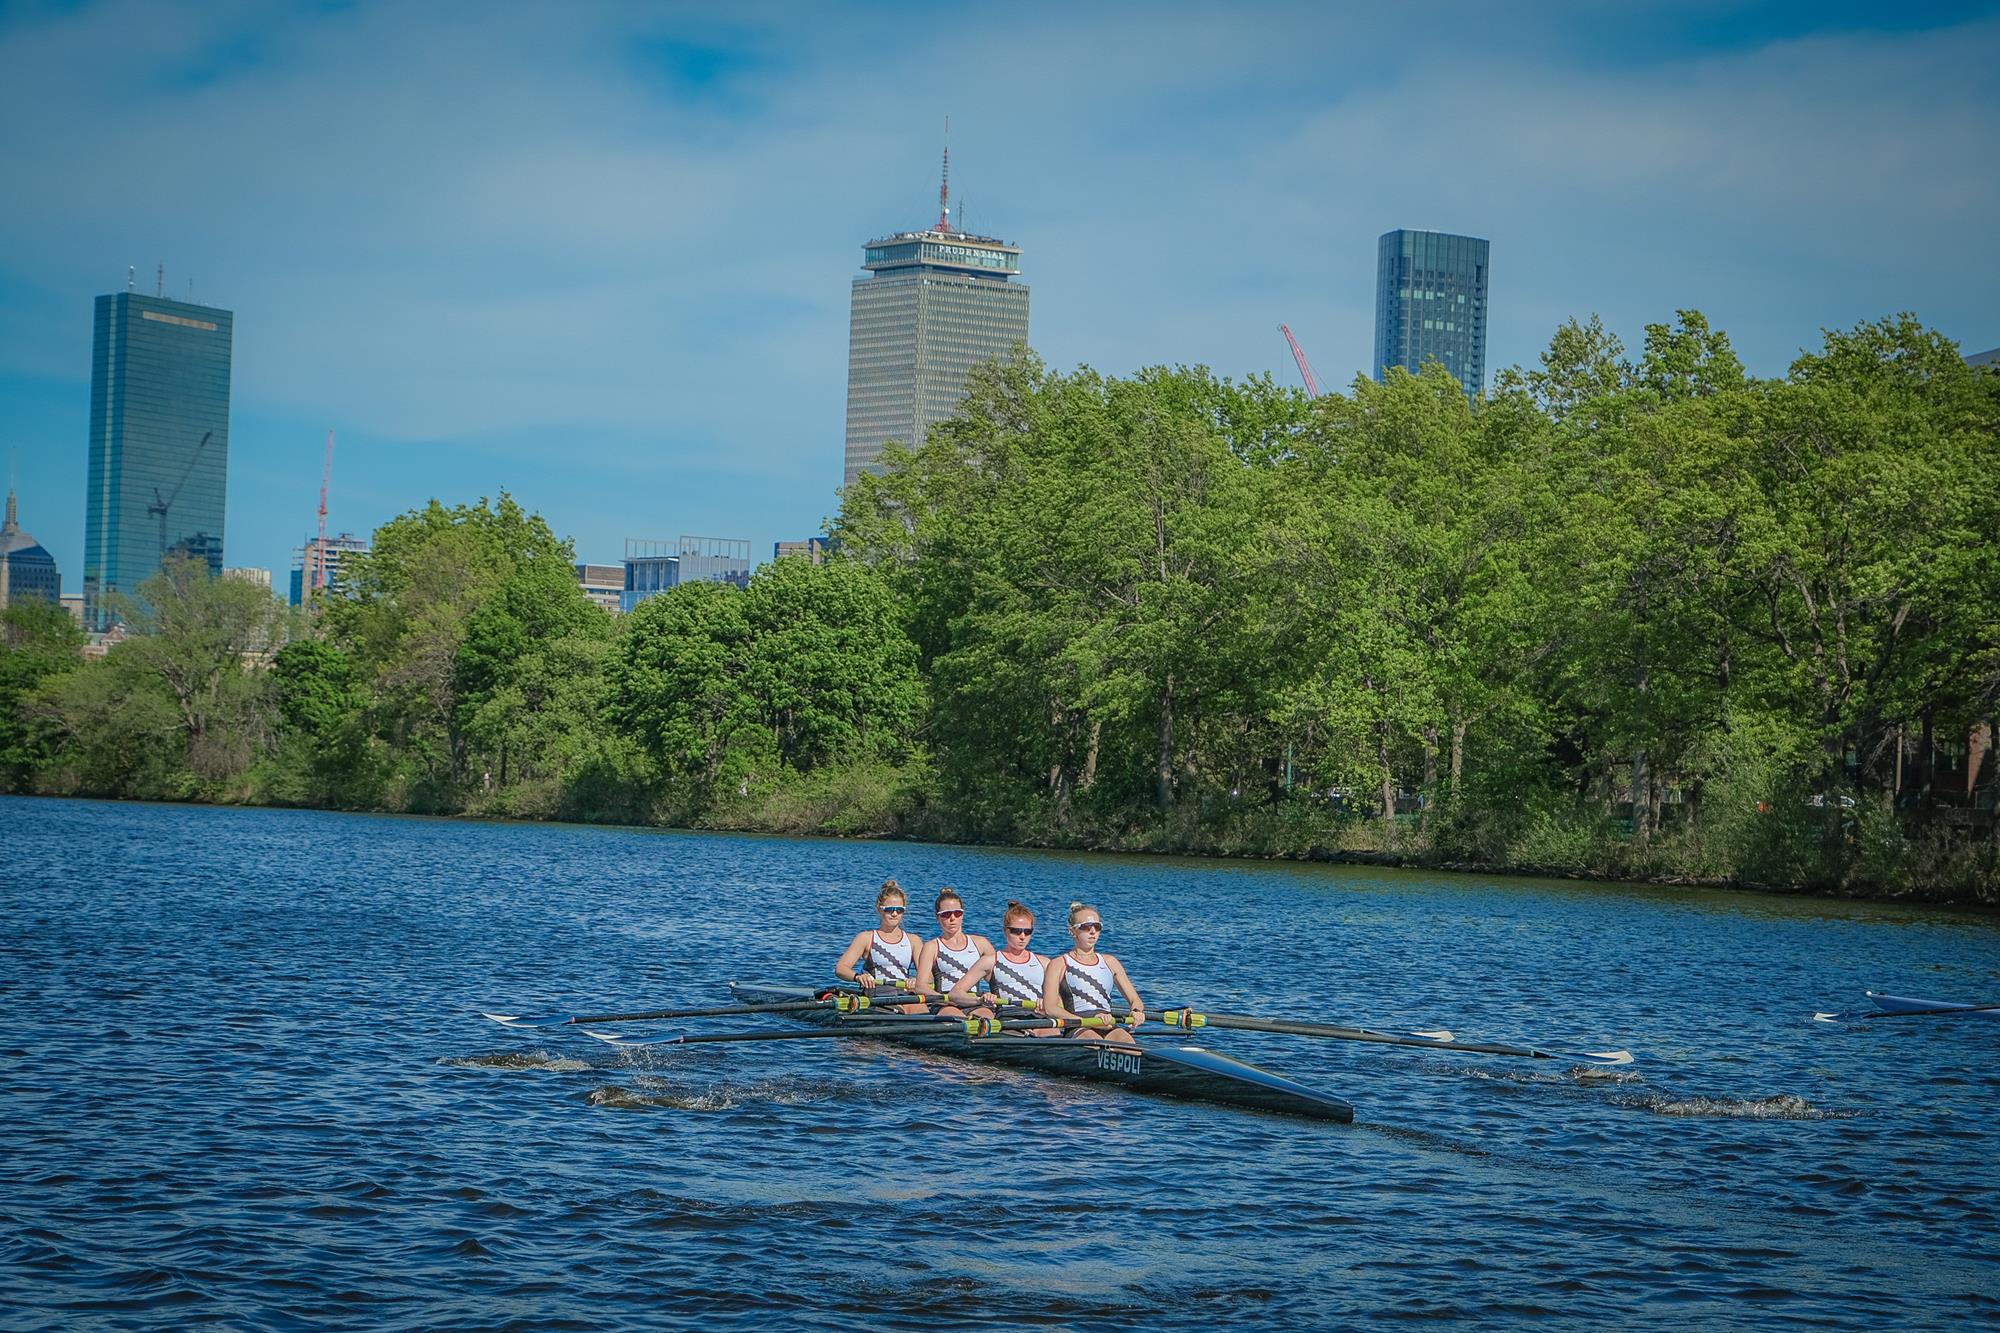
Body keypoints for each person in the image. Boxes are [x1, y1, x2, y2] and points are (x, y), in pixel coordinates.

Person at [1042, 901, 1144, 1044]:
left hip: (1107, 1024)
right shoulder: (1058, 964)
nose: (1092, 931)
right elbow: (1050, 1008)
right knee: (1094, 1042)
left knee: (1129, 1045)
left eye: (1097, 927)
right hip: (1077, 1026)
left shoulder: (1111, 962)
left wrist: (1137, 1011)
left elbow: (1135, 999)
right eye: (1086, 927)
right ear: (1072, 931)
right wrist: (1087, 1022)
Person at [948, 900, 1052, 1033]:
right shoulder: (990, 961)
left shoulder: (1044, 963)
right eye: (1016, 931)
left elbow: (1057, 1000)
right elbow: (955, 993)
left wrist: (1048, 1004)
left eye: (1027, 931)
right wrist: (979, 1000)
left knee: (1052, 1034)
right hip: (1009, 1016)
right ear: (1005, 931)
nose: (1022, 936)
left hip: (1039, 1016)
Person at [834, 880, 925, 1011]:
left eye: (899, 910)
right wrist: (858, 977)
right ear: (879, 909)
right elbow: (841, 968)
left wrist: (917, 980)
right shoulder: (866, 938)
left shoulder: (914, 940)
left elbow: (928, 975)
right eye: (889, 910)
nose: (894, 914)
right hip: (878, 995)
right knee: (900, 1012)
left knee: (923, 1012)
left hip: (905, 993)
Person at [915, 887, 995, 1017]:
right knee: (955, 1017)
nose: (952, 918)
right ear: (937, 917)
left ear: (962, 915)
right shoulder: (932, 947)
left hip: (973, 1000)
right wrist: (944, 998)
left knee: (987, 1017)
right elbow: (920, 986)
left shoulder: (981, 944)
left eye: (957, 913)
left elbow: (996, 980)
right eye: (946, 914)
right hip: (944, 1002)